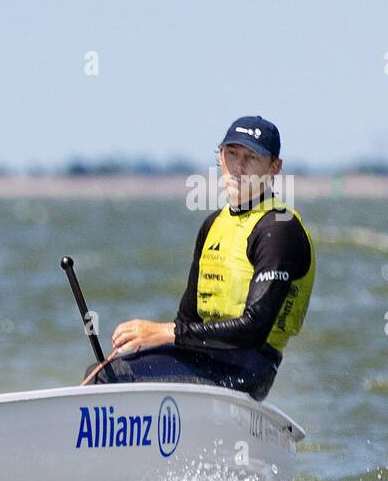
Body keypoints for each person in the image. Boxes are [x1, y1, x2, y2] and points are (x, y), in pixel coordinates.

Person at [100, 116, 315, 401]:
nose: (238, 168)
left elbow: (254, 329)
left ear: (274, 168)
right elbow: (187, 320)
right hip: (204, 358)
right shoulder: (213, 225)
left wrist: (162, 333)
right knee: (109, 368)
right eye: (232, 154)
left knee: (113, 377)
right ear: (220, 157)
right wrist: (146, 343)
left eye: (252, 158)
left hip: (249, 368)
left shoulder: (279, 228)